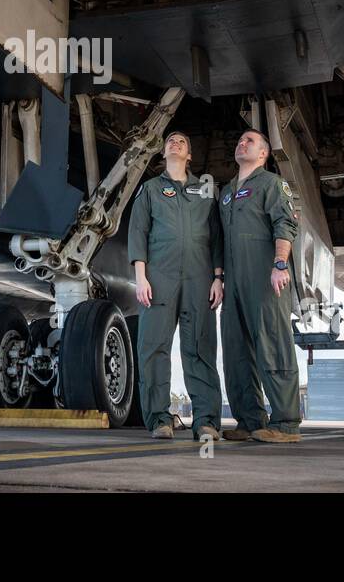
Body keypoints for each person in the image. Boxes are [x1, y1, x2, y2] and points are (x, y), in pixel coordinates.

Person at [126, 130, 224, 440]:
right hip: (159, 278)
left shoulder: (205, 190)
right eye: (170, 140)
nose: (176, 143)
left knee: (200, 347)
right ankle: (159, 419)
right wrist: (140, 277)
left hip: (200, 278)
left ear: (189, 155)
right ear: (163, 151)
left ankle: (206, 420)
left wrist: (218, 278)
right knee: (154, 348)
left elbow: (217, 236)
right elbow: (138, 232)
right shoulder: (150, 189)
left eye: (182, 141)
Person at [218, 129, 302, 443]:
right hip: (233, 280)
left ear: (264, 153)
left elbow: (285, 222)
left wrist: (280, 263)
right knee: (236, 351)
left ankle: (286, 423)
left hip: (264, 276)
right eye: (239, 140)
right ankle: (250, 420)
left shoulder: (271, 184)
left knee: (272, 344)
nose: (242, 143)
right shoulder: (226, 191)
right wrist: (219, 278)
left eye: (250, 141)